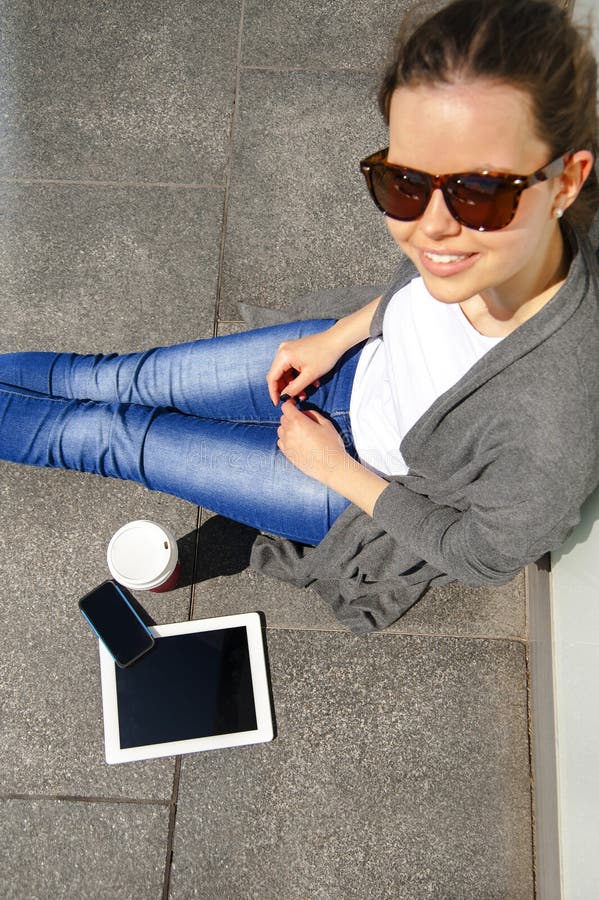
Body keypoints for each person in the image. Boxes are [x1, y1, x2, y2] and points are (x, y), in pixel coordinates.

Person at [1, 0, 598, 632]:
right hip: (347, 362)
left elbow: (480, 556)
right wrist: (338, 336)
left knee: (115, 439)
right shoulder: (489, 245)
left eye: (481, 191)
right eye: (404, 183)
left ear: (566, 182)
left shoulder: (557, 424)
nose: (432, 228)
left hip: (352, 484)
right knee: (119, 379)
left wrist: (335, 469)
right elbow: (415, 288)